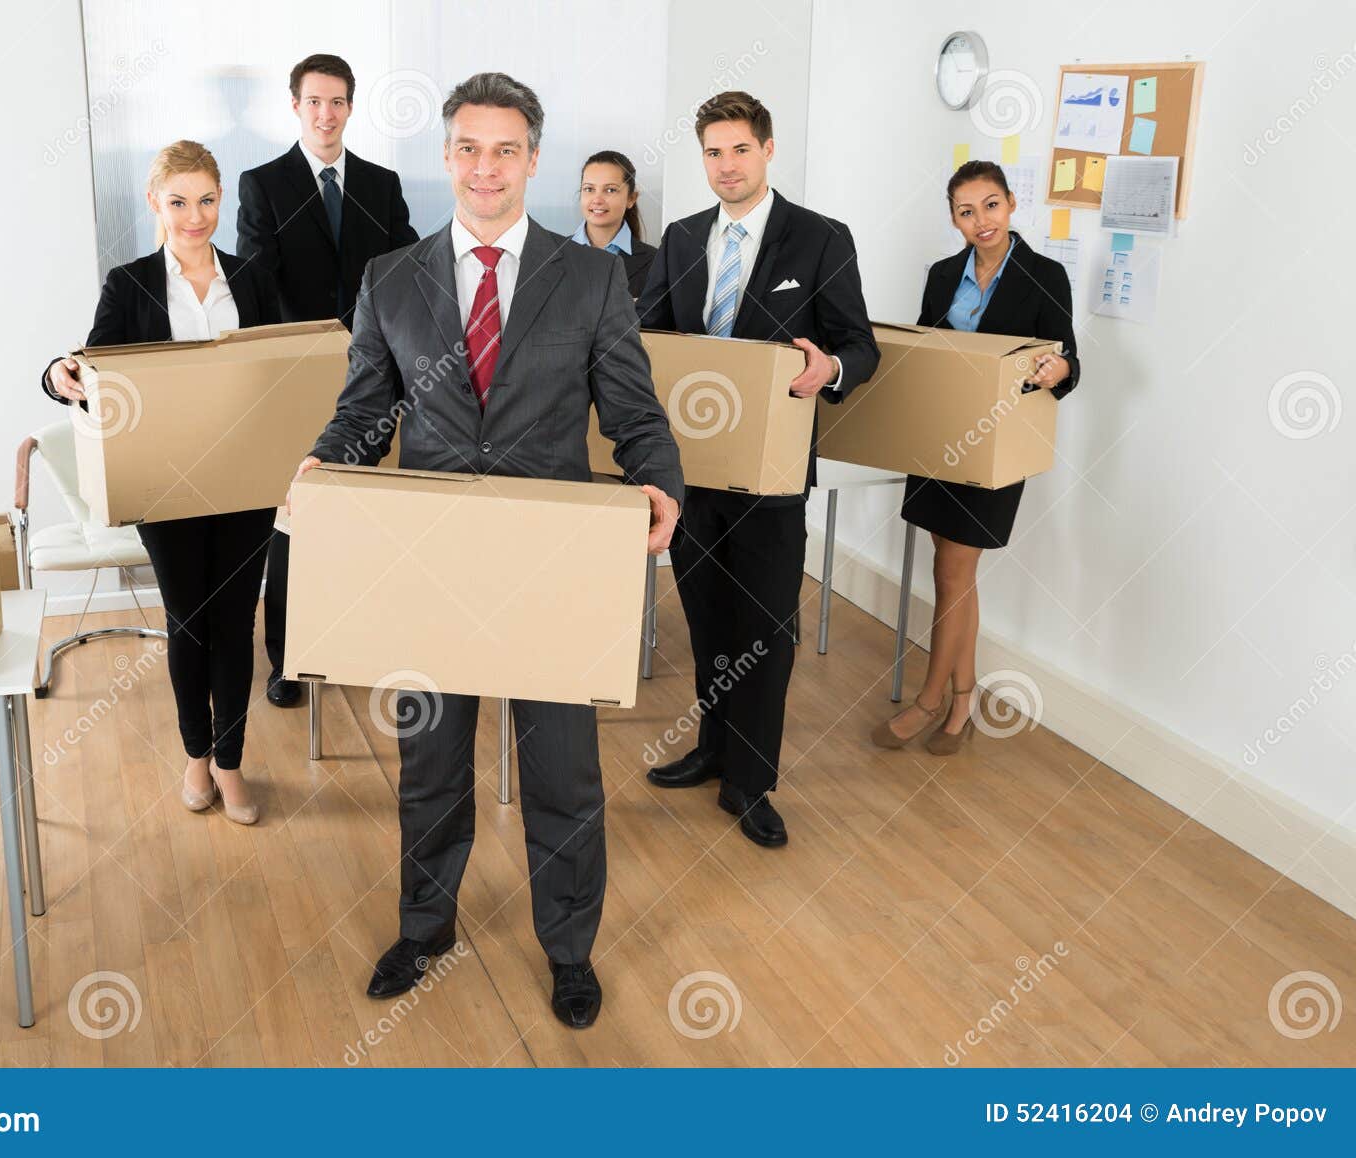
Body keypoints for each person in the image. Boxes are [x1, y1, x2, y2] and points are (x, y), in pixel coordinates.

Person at [289, 73, 683, 1028]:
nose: (486, 167)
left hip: (551, 558)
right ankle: (424, 928)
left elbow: (632, 412)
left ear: (534, 159)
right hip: (433, 558)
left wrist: (660, 478)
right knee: (429, 766)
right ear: (448, 157)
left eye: (506, 149)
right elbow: (366, 411)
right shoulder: (391, 277)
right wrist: (320, 466)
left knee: (563, 771)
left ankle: (569, 949)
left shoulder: (592, 278)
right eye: (468, 147)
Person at [636, 91, 879, 848]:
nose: (726, 165)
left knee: (766, 629)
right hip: (693, 472)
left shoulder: (820, 239)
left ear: (768, 150)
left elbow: (860, 346)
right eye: (713, 152)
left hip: (771, 480)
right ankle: (713, 747)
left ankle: (751, 780)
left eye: (740, 149)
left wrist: (829, 367)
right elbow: (649, 341)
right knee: (706, 618)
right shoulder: (678, 240)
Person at [41, 140, 282, 826]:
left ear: (221, 199)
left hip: (243, 481)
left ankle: (231, 765)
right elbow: (90, 369)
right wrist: (61, 375)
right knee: (190, 624)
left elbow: (282, 372)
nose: (195, 215)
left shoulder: (253, 279)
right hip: (165, 483)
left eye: (207, 199)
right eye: (179, 201)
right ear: (156, 203)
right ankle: (195, 756)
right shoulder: (132, 283)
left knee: (235, 622)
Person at [871, 160, 1079, 754]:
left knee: (952, 572)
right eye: (967, 210)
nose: (981, 220)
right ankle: (963, 697)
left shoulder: (1045, 275)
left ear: (1011, 204)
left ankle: (929, 700)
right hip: (939, 440)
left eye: (990, 205)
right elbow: (925, 353)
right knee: (956, 575)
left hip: (996, 445)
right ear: (954, 218)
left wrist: (1057, 369)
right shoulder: (941, 276)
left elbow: (1070, 363)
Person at [237, 52, 420, 709]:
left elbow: (412, 264)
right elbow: (256, 280)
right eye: (314, 101)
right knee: (297, 516)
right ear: (295, 105)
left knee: (373, 514)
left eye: (337, 101)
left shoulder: (381, 182)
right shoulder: (263, 184)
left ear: (350, 106)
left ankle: (366, 641)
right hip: (299, 374)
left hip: (378, 374)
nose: (326, 113)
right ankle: (289, 659)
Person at [570, 150, 656, 297]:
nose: (597, 199)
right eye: (589, 189)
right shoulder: (553, 254)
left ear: (631, 199)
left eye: (610, 190)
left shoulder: (656, 262)